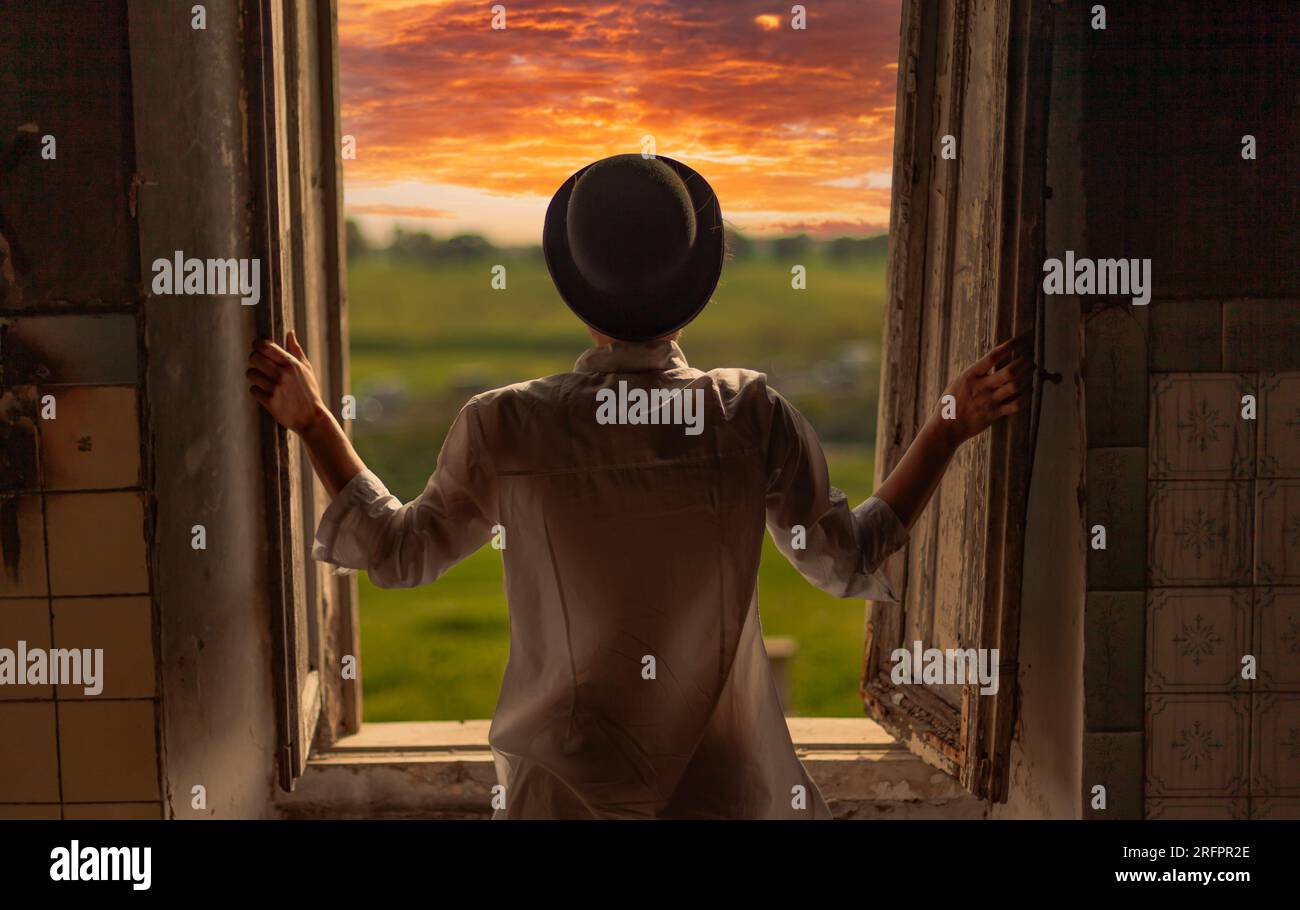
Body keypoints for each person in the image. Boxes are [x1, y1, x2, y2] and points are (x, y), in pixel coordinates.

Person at [246, 154, 1035, 819]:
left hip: (561, 796)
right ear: (693, 284)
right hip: (725, 791)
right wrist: (948, 427)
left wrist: (314, 422)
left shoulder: (507, 426)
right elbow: (849, 558)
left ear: (576, 290)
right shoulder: (749, 417)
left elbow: (396, 552)